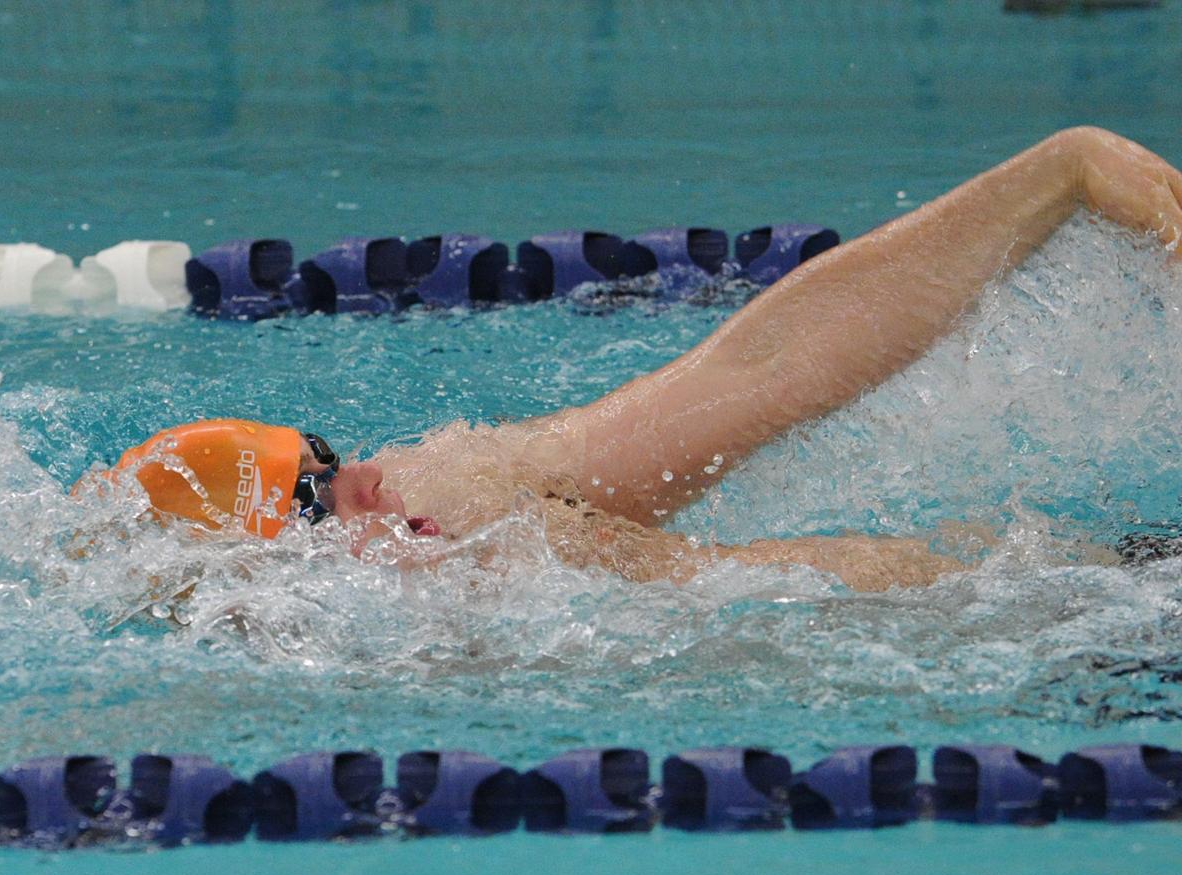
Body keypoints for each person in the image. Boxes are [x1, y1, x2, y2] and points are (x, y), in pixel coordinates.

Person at [77, 127, 1182, 592]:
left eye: (325, 461)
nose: (360, 478)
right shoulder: (419, 555)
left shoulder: (452, 497)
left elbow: (759, 374)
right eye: (316, 498)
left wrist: (1057, 174)